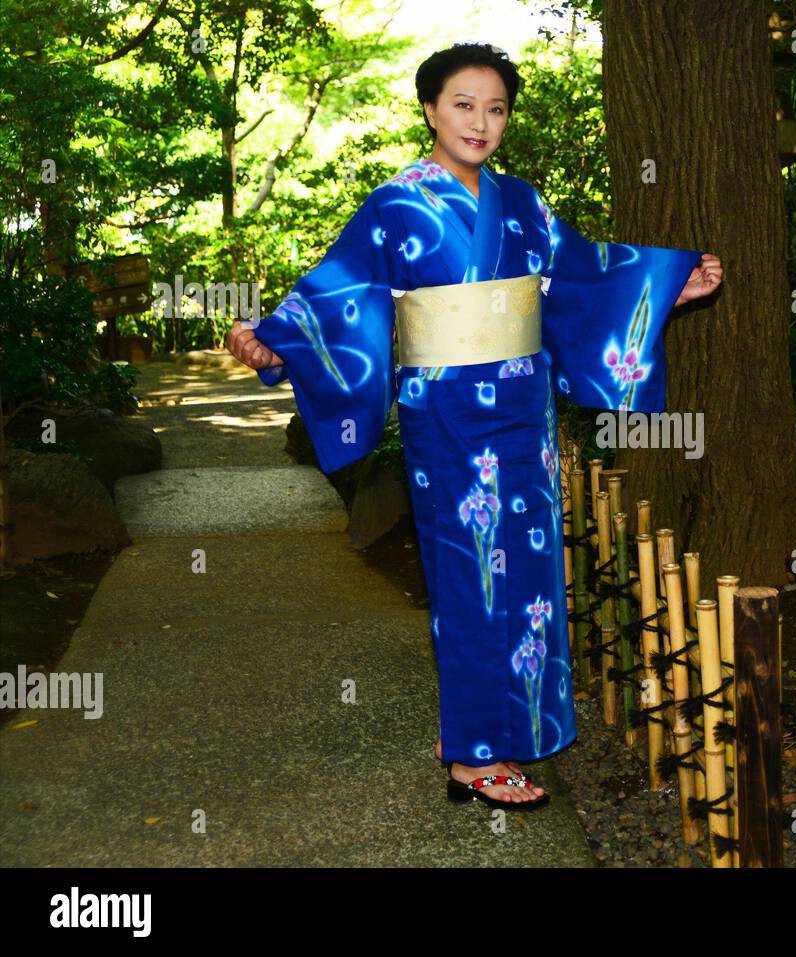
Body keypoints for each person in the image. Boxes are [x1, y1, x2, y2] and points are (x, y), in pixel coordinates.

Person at [226, 42, 723, 811]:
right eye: (463, 104)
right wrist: (276, 340)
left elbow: (585, 277)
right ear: (430, 108)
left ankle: (483, 724)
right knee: (470, 576)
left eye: (495, 108)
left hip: (525, 416)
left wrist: (667, 286)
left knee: (524, 576)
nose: (480, 122)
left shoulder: (522, 203)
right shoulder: (396, 204)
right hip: (448, 419)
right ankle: (474, 759)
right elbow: (341, 293)